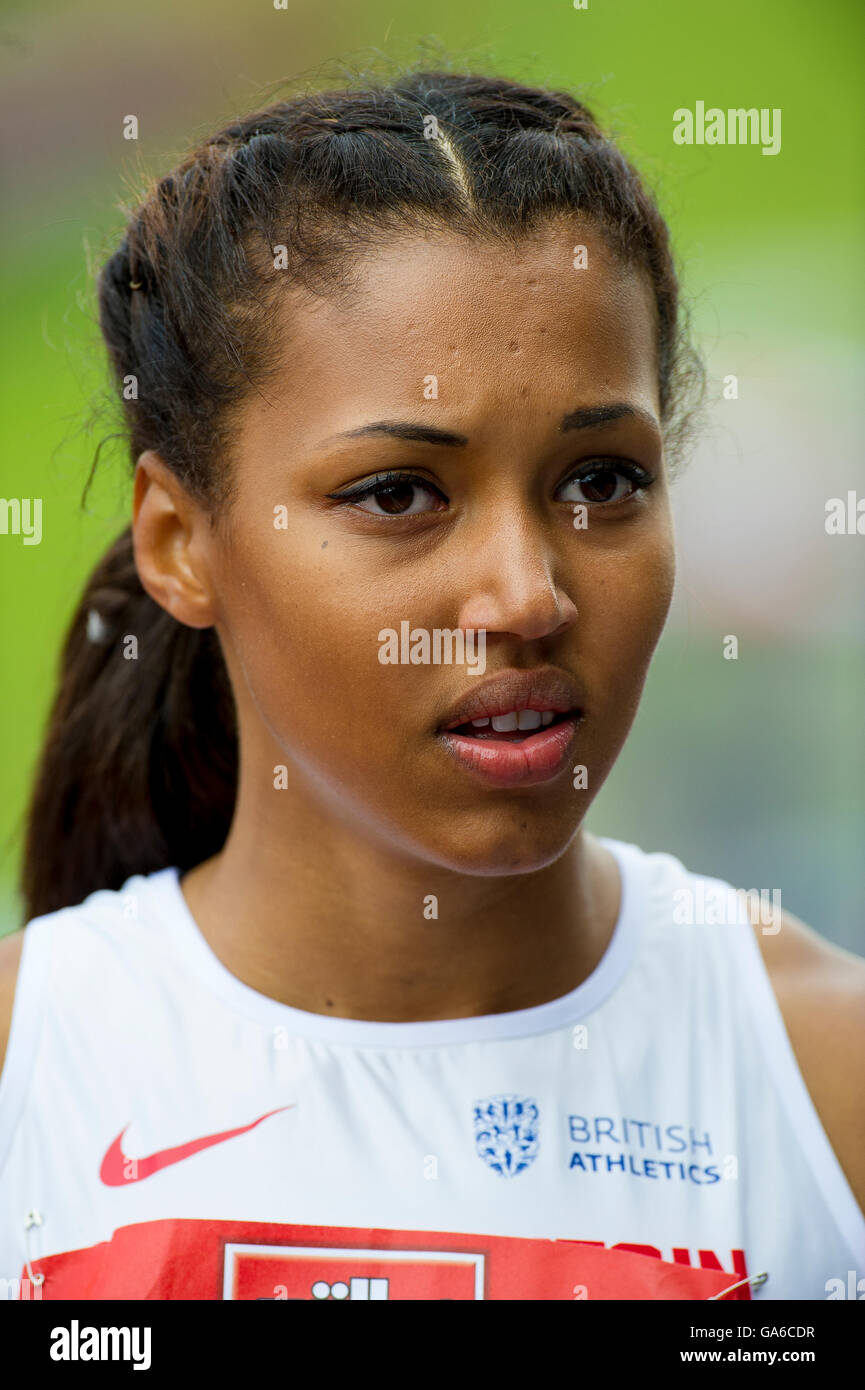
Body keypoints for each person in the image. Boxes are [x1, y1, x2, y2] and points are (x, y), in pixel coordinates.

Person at [0, 70, 862, 1302]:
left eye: (601, 481)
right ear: (180, 542)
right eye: (398, 493)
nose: (526, 595)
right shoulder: (26, 1074)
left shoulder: (827, 1082)